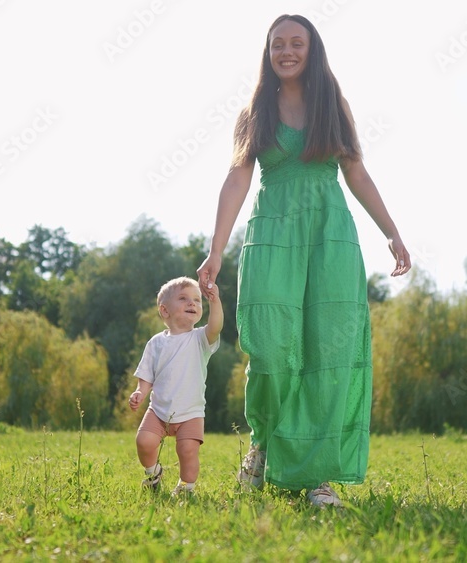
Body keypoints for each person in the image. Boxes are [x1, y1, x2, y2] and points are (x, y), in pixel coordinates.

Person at [196, 14, 411, 507]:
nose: (287, 51)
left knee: (326, 353)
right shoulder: (254, 111)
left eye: (297, 43)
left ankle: (315, 476)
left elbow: (356, 172)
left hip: (329, 234)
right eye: (278, 44)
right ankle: (264, 444)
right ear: (267, 52)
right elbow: (236, 179)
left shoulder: (332, 104)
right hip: (271, 233)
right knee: (271, 351)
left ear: (313, 51)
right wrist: (216, 250)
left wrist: (393, 232)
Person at [128, 276, 223, 496]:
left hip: (191, 412)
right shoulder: (156, 343)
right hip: (158, 410)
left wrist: (214, 301)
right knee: (143, 441)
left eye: (197, 300)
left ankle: (185, 487)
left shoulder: (200, 339)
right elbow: (146, 375)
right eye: (183, 298)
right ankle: (153, 473)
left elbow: (216, 326)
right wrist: (140, 392)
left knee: (187, 450)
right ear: (164, 310)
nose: (192, 303)